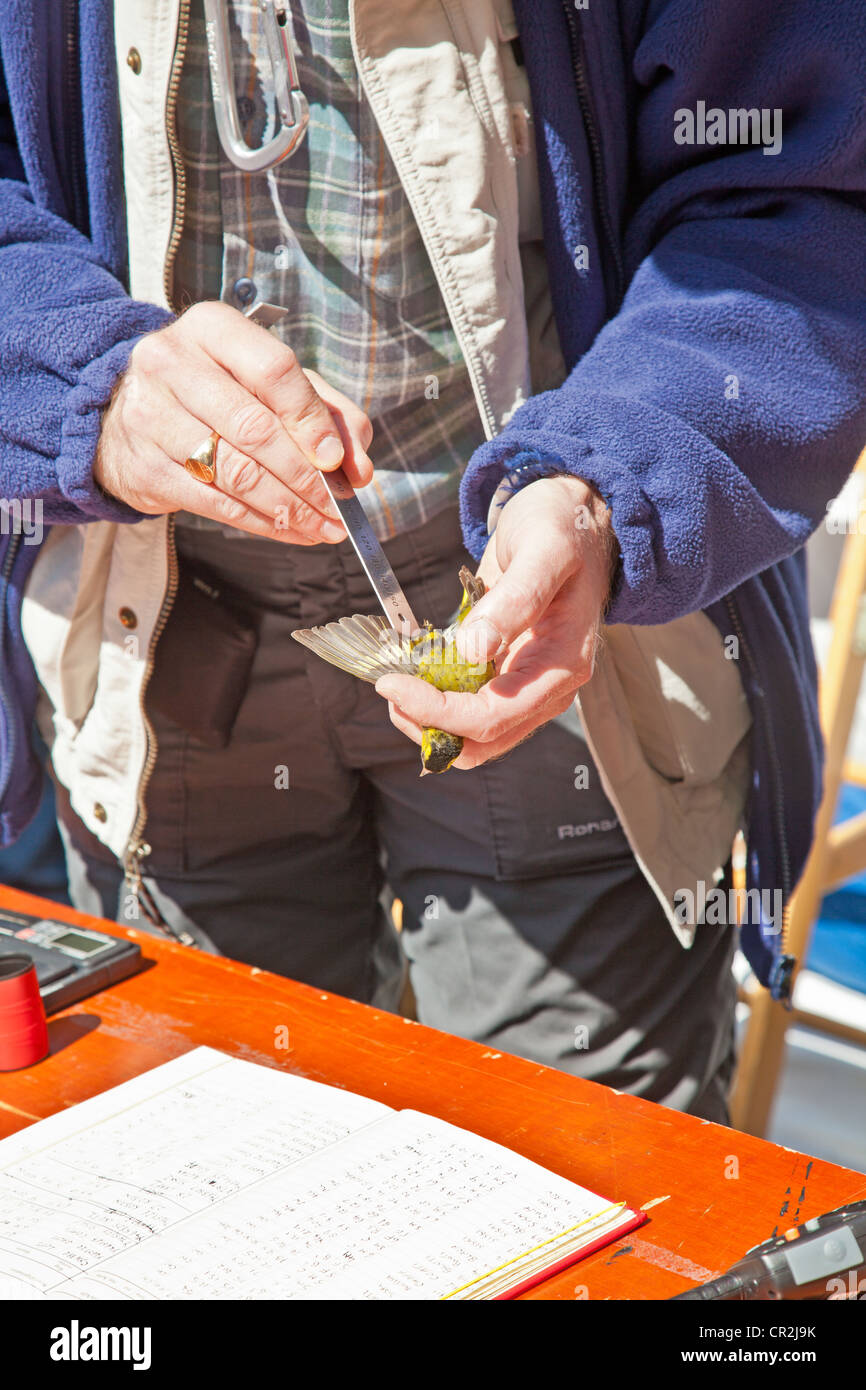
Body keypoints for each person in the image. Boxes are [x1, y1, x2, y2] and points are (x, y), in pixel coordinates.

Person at [1, 0, 865, 1124]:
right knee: (219, 1150)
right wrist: (87, 388)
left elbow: (791, 194)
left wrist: (610, 487)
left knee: (568, 1160)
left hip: (559, 625)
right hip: (147, 637)